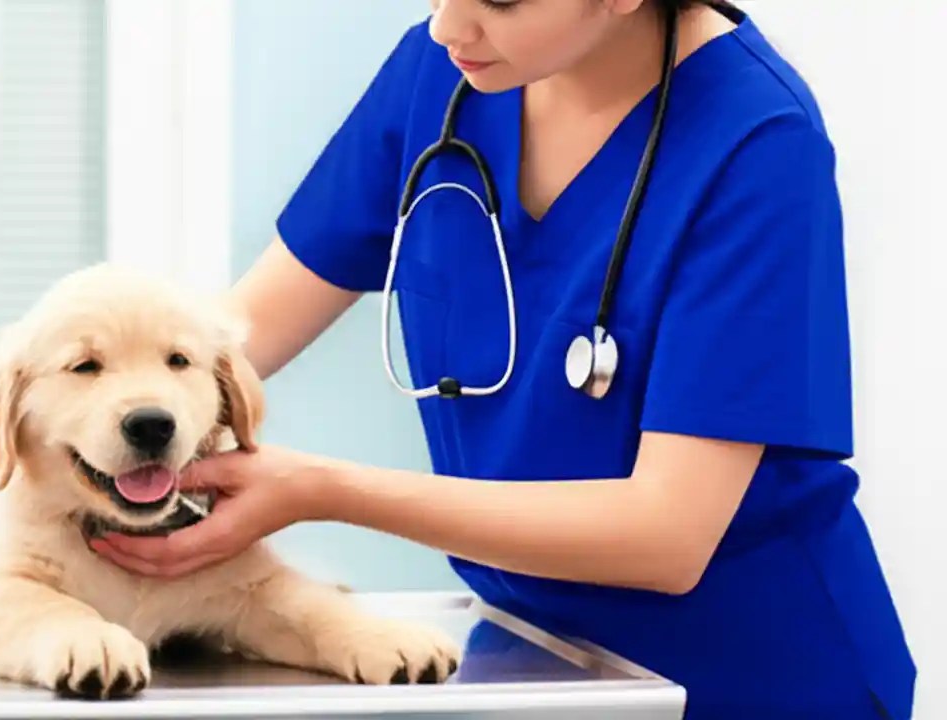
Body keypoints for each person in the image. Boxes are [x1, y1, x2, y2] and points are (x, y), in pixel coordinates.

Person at [90, 1, 917, 717]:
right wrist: (86, 413)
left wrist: (321, 492)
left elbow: (667, 534)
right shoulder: (445, 72)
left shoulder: (758, 143)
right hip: (546, 662)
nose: (450, 24)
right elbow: (234, 338)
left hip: (755, 681)